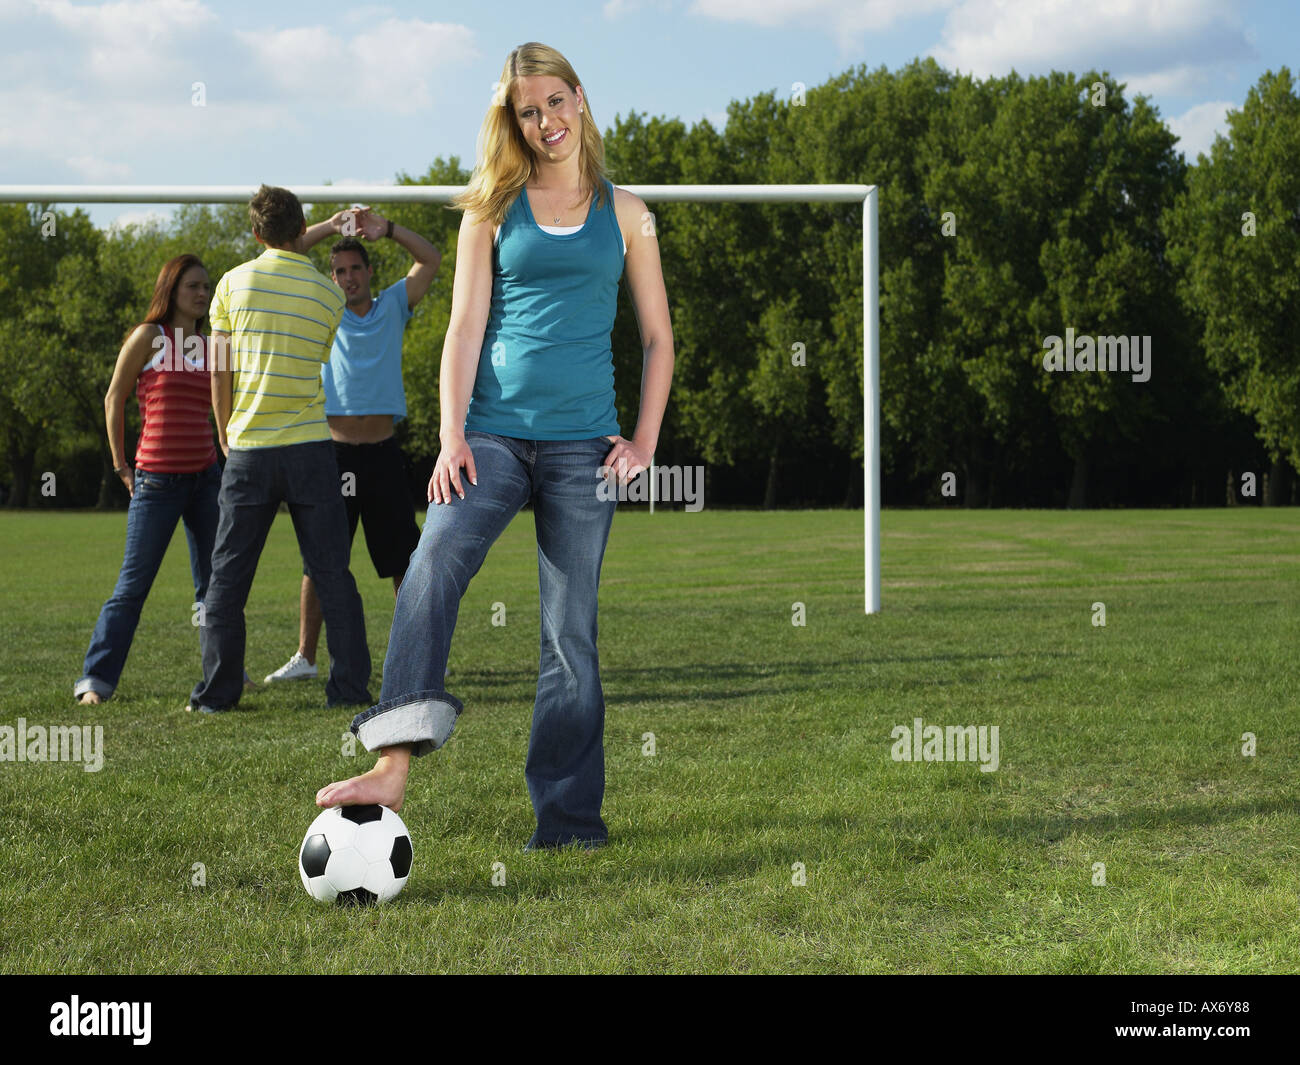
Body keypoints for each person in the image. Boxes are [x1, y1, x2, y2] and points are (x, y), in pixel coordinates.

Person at [316, 41, 675, 850]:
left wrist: (644, 441)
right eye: (527, 110)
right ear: (512, 121)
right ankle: (392, 762)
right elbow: (464, 327)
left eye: (555, 102)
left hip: (585, 449)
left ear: (579, 98)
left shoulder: (628, 213)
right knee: (432, 560)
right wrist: (451, 436)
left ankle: (569, 822)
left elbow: (658, 338)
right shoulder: (490, 207)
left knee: (569, 633)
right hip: (492, 438)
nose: (545, 121)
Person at [187, 185, 372, 713]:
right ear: (302, 227)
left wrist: (224, 430)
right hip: (312, 447)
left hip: (249, 448)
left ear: (254, 233)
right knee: (332, 572)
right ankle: (349, 690)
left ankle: (217, 696)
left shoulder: (231, 283)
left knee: (227, 578)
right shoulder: (329, 295)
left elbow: (219, 369)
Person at [263, 207, 440, 684]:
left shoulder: (393, 305)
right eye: (339, 271)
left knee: (404, 560)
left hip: (382, 453)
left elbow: (431, 258)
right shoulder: (323, 308)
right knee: (321, 559)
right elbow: (284, 251)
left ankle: (414, 657)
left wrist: (389, 229)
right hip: (333, 455)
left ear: (369, 271)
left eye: (355, 268)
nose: (347, 278)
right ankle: (306, 656)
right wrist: (329, 226)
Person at [75, 255, 222, 705]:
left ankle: (224, 675)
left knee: (214, 586)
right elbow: (114, 396)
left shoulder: (212, 345)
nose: (202, 293)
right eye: (193, 286)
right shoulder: (149, 336)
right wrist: (121, 464)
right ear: (171, 290)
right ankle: (95, 680)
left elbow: (223, 411)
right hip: (156, 480)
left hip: (206, 479)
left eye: (206, 286)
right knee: (133, 586)